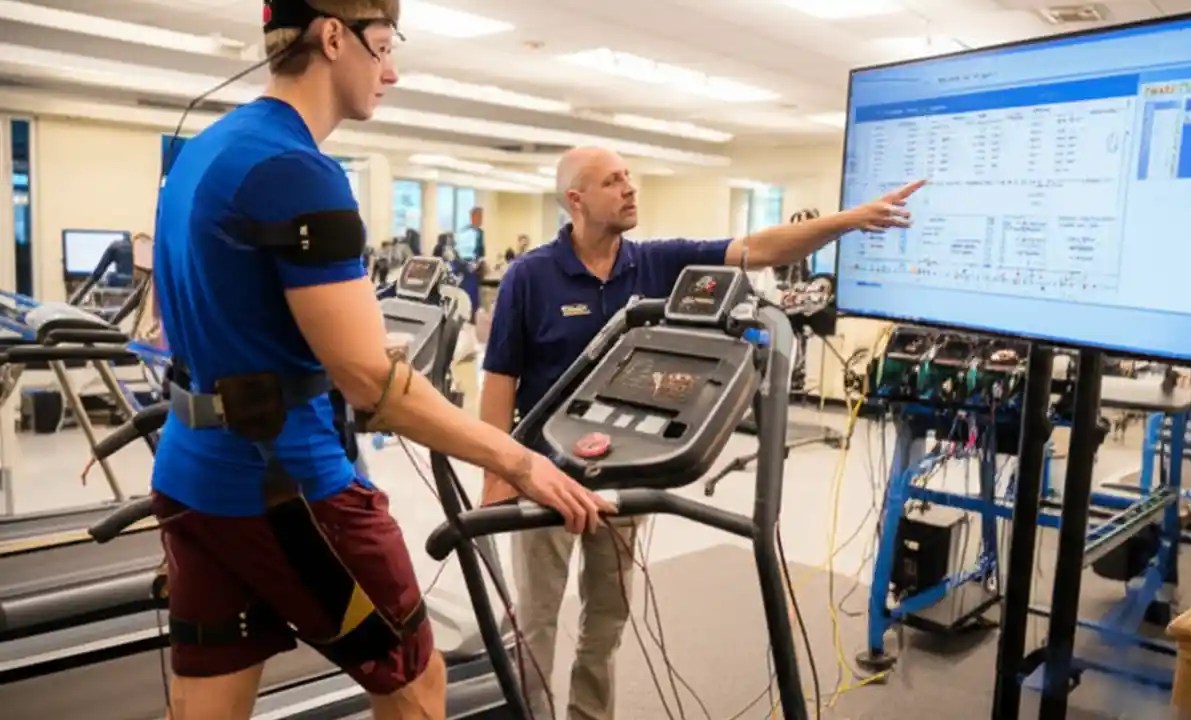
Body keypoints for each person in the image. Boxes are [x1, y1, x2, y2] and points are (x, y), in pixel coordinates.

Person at [149, 2, 613, 719]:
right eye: (383, 45)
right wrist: (520, 463)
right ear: (334, 37)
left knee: (211, 692)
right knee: (413, 680)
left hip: (189, 474)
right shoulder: (298, 170)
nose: (390, 71)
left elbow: (207, 314)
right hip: (291, 487)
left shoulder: (201, 151)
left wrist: (336, 347)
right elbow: (373, 384)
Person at [480, 145, 925, 720]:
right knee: (535, 619)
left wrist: (851, 220)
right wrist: (499, 474)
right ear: (576, 199)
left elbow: (760, 248)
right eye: (612, 181)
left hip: (622, 470)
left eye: (629, 176)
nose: (629, 187)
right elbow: (500, 380)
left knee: (607, 618)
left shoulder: (658, 263)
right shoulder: (530, 276)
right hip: (546, 469)